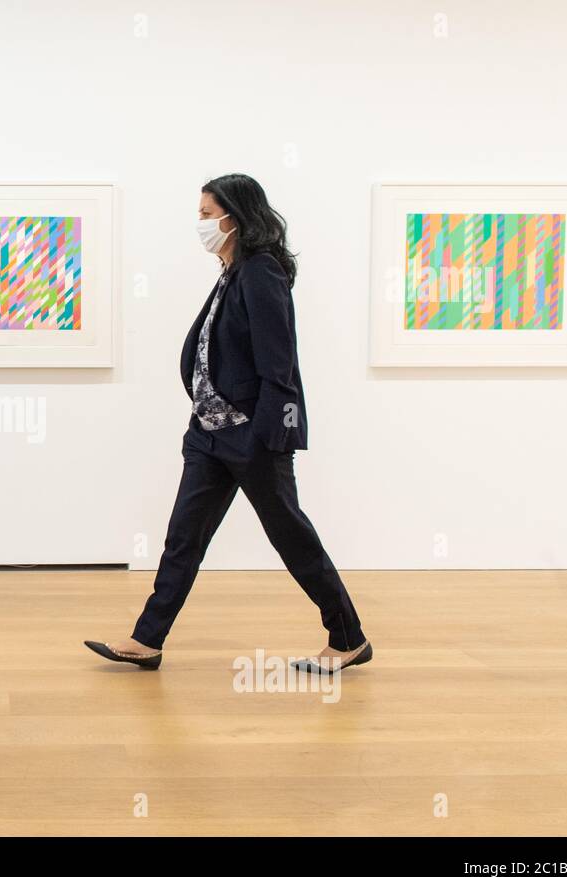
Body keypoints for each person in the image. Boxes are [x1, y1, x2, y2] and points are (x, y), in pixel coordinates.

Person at [85, 174, 370, 674]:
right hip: (210, 433)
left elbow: (279, 362)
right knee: (184, 537)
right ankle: (147, 640)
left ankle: (348, 638)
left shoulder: (262, 272)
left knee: (291, 536)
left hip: (251, 436)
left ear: (233, 218)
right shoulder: (230, 271)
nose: (199, 224)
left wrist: (272, 433)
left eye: (205, 214)